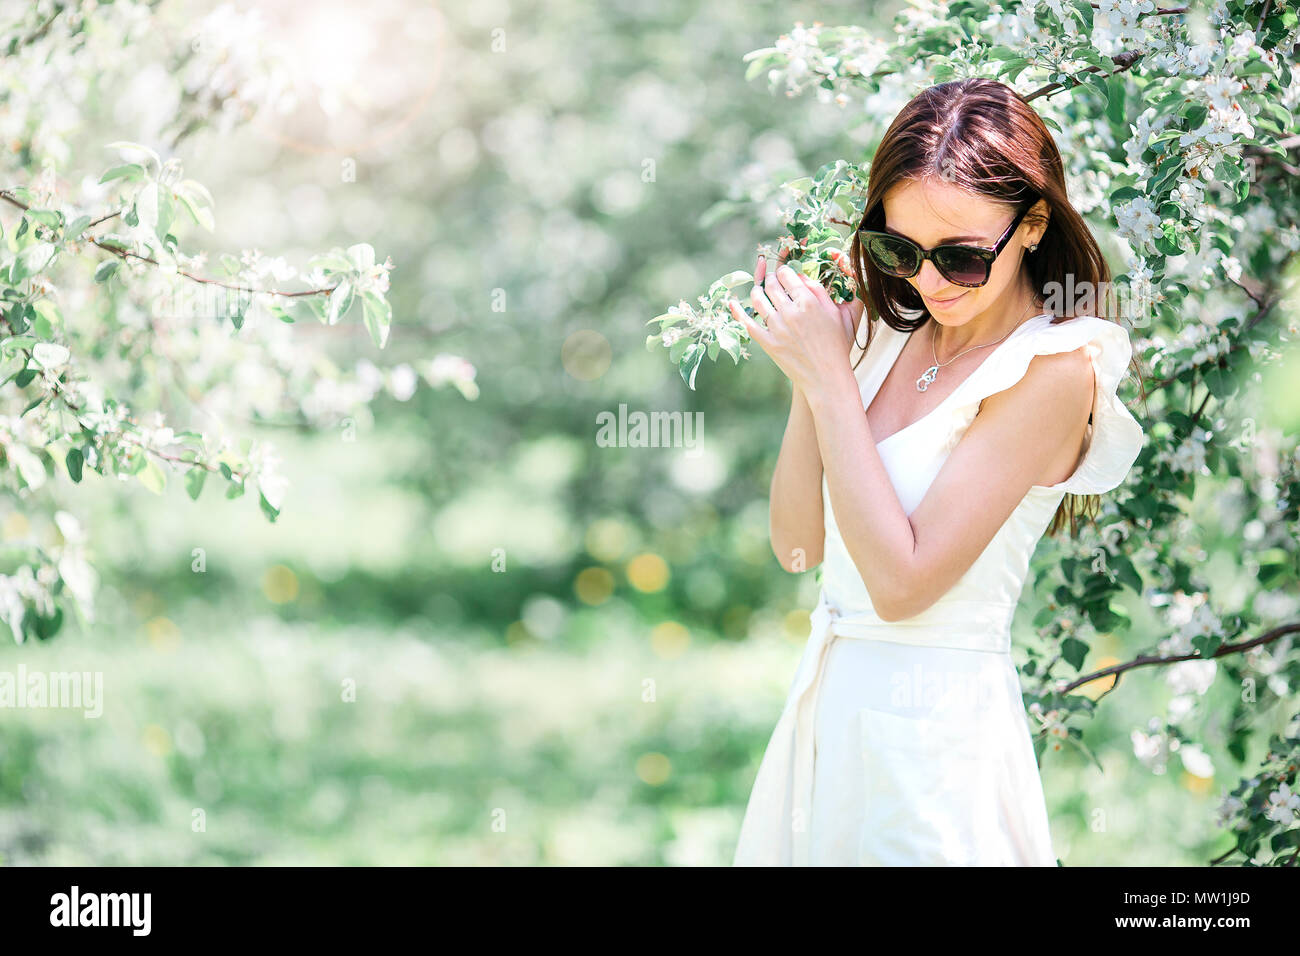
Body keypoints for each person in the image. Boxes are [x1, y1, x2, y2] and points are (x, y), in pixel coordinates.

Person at [726, 78, 1146, 866]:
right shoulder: (884, 338)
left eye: (960, 255)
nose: (927, 282)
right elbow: (797, 548)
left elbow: (903, 585)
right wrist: (812, 374)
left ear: (1033, 223)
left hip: (935, 748)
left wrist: (828, 380)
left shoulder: (1052, 367)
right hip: (830, 718)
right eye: (899, 250)